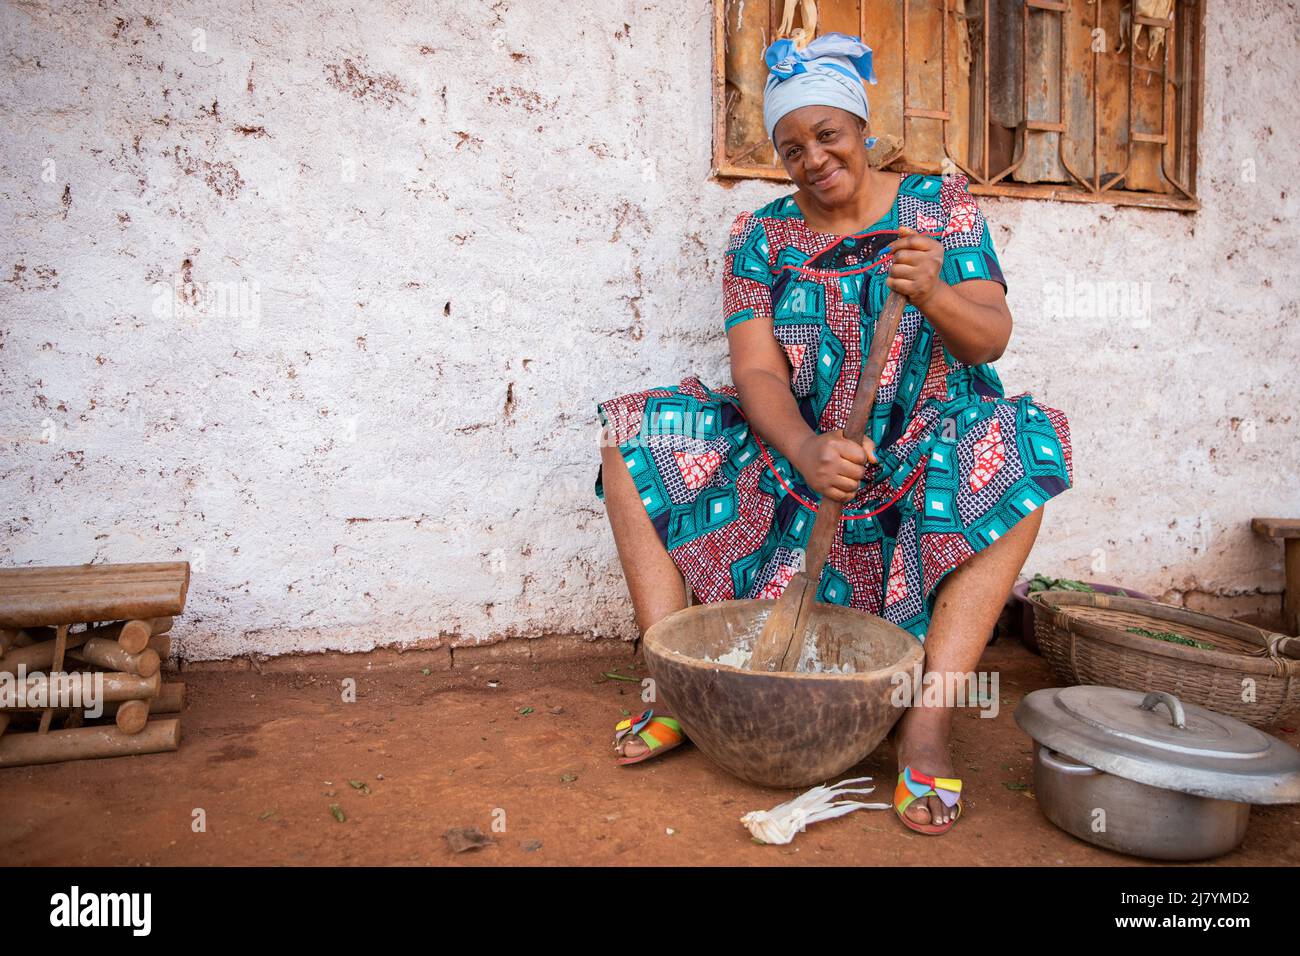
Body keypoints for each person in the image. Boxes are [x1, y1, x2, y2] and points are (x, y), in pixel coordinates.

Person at [593, 32, 1073, 834]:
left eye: (827, 135)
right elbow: (757, 375)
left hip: (921, 456)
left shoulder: (939, 207)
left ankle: (926, 724)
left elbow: (988, 338)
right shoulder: (759, 239)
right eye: (792, 147)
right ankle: (679, 686)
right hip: (804, 462)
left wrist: (934, 293)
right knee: (631, 430)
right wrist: (807, 450)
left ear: (861, 126)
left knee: (1020, 452)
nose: (813, 158)